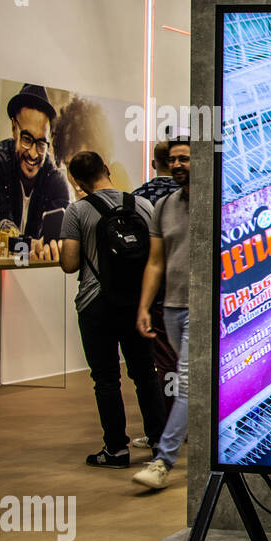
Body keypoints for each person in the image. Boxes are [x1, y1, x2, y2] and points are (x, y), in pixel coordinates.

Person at [59, 151, 165, 469]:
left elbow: (70, 263)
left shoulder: (76, 211)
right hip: (137, 304)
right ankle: (160, 442)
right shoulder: (142, 206)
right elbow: (157, 256)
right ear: (106, 169)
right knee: (145, 373)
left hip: (96, 305)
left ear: (77, 182)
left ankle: (116, 450)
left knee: (106, 378)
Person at [134, 137, 191, 489]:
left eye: (185, 158)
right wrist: (144, 306)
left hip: (202, 311)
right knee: (193, 384)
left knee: (185, 383)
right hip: (171, 308)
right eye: (173, 159)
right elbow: (155, 262)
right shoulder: (164, 206)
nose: (178, 165)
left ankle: (162, 461)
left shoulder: (214, 204)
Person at [0, 84, 71, 259]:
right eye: (27, 139)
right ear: (14, 129)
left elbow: (55, 243)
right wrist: (32, 246)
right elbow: (0, 231)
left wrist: (31, 248)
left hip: (34, 275)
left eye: (41, 143)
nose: (34, 153)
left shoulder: (56, 180)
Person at [133, 138, 183, 420]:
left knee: (165, 362)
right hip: (193, 289)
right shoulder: (194, 194)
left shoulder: (138, 198)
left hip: (161, 293)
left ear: (154, 165)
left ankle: (170, 421)